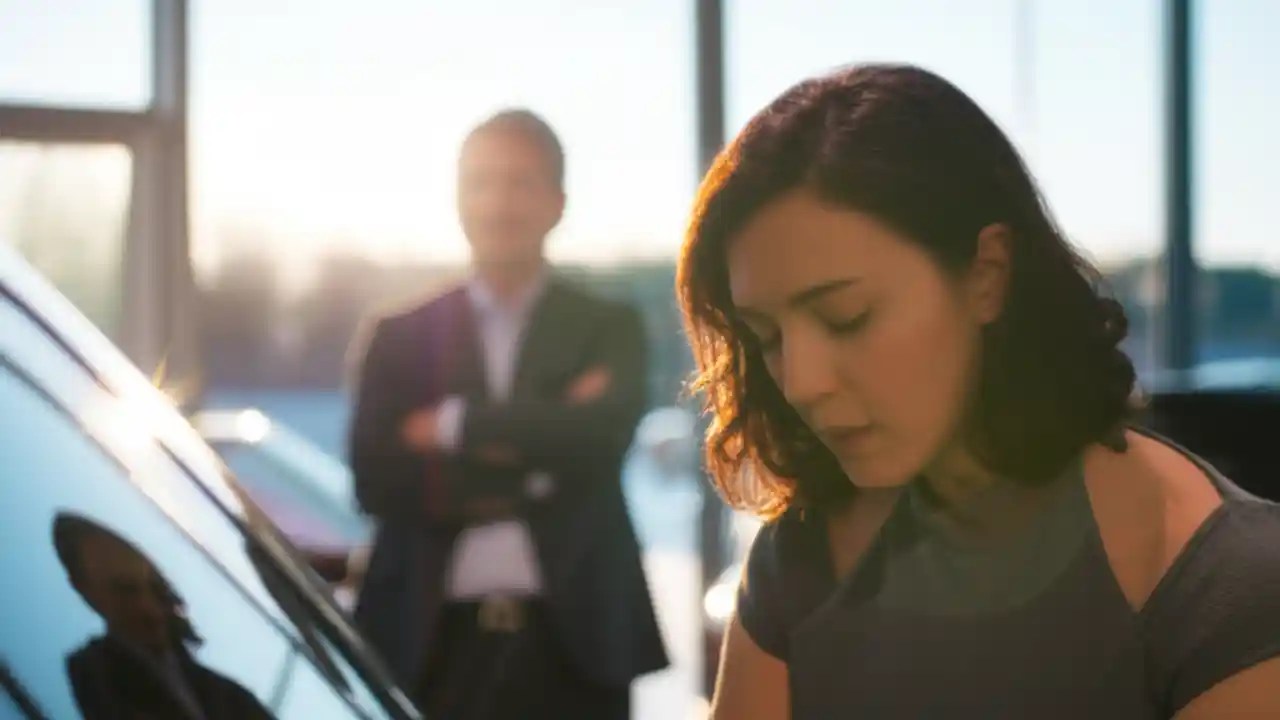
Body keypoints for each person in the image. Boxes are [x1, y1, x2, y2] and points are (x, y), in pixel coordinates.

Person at [676, 63, 1280, 719]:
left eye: (847, 318)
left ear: (987, 275)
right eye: (767, 337)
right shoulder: (801, 553)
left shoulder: (1221, 582)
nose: (800, 382)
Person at [349, 109, 667, 719]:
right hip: (429, 647)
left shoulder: (609, 328)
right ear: (457, 197)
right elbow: (376, 479)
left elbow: (598, 446)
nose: (498, 204)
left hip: (574, 650)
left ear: (557, 202)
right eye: (480, 182)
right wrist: (542, 455)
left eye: (520, 182)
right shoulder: (398, 335)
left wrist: (450, 427)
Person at [53, 514, 273, 719]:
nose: (148, 607)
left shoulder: (227, 694)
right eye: (124, 590)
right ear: (86, 591)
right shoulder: (94, 674)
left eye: (153, 588)